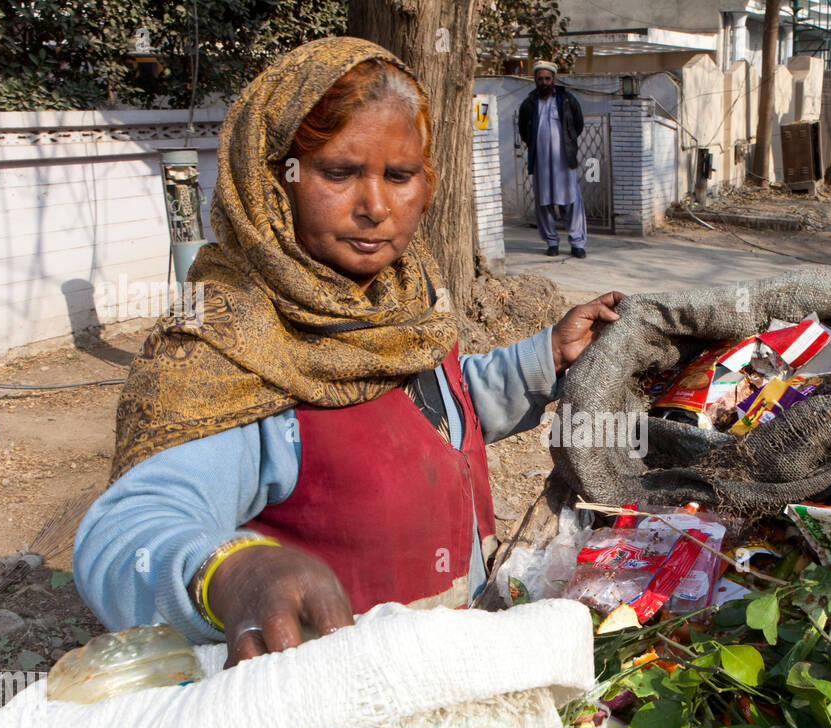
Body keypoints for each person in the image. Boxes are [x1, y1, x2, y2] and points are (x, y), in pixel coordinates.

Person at [73, 37, 623, 667]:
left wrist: (545, 356)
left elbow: (436, 409)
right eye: (339, 173)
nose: (376, 207)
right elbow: (124, 533)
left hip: (452, 675)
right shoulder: (226, 346)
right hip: (334, 712)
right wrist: (231, 574)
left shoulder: (402, 298)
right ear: (275, 179)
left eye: (399, 176)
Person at [517, 61, 587, 258]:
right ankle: (552, 242)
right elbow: (524, 130)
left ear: (554, 79)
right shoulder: (529, 103)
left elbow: (578, 125)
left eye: (548, 79)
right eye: (540, 79)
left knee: (571, 201)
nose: (544, 82)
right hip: (541, 163)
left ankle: (577, 243)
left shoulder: (566, 100)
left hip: (564, 161)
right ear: (535, 80)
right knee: (544, 202)